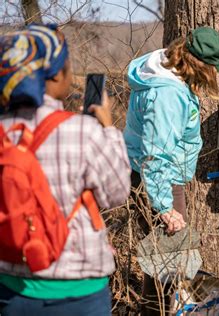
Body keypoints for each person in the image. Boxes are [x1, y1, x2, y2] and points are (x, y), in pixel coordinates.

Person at [0, 25, 131, 315]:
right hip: (78, 292)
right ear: (57, 74)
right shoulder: (82, 131)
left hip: (11, 289)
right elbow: (117, 193)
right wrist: (108, 129)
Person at [123, 26, 219, 314]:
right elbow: (155, 155)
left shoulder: (165, 68)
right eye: (214, 68)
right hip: (159, 182)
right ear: (200, 64)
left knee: (162, 262)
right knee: (167, 265)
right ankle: (155, 311)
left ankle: (154, 308)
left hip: (160, 178)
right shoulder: (168, 96)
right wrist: (164, 207)